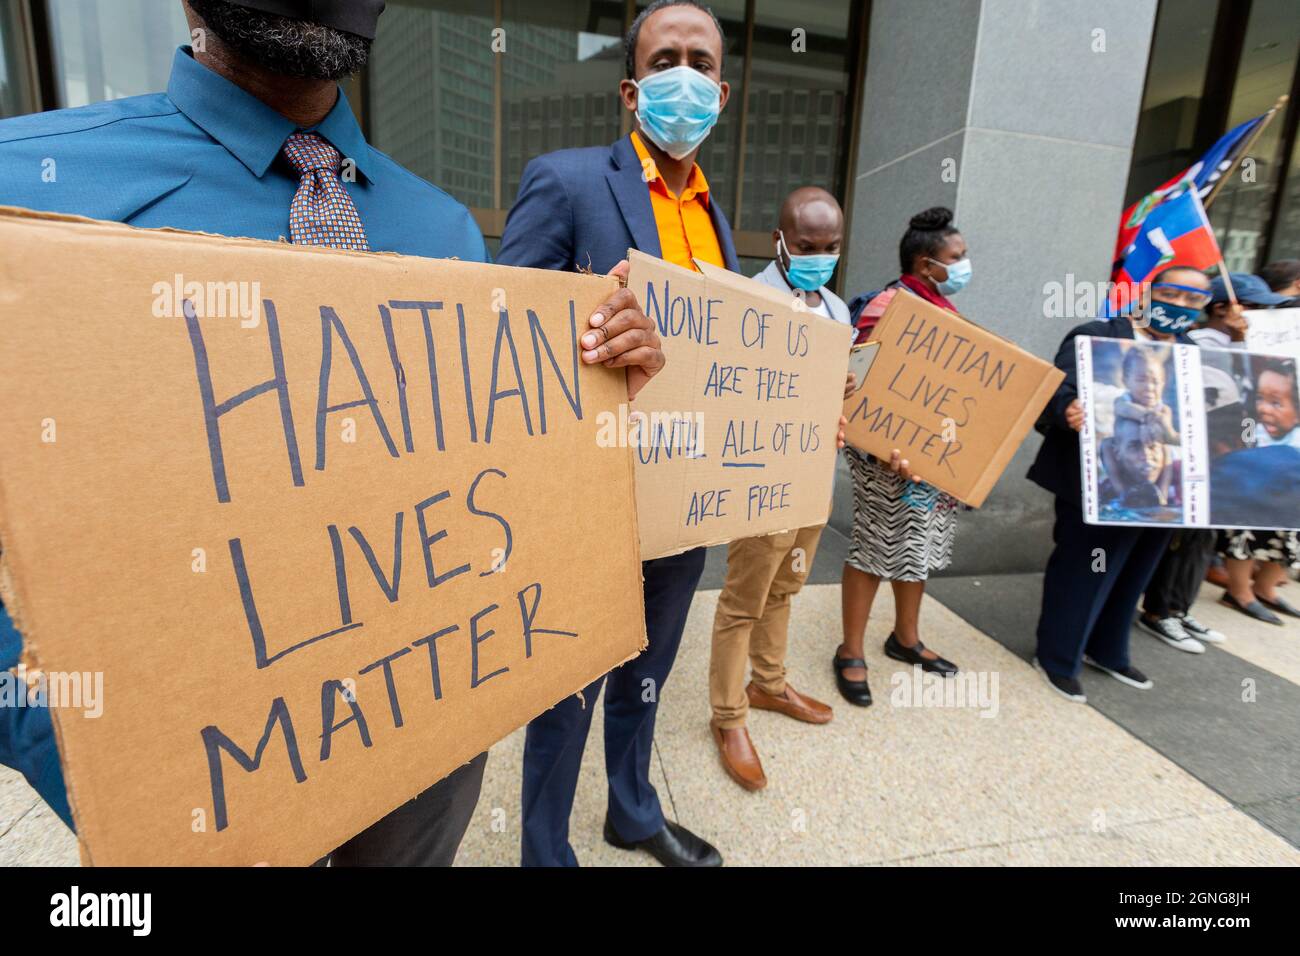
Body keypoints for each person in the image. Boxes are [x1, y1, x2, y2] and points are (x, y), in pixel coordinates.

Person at [0, 0, 665, 867]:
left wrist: (598, 396)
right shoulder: (25, 196)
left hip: (430, 749)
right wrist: (115, 764)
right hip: (211, 791)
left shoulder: (447, 234)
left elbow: (492, 487)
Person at [496, 0, 731, 867]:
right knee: (566, 688)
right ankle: (544, 853)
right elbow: (499, 337)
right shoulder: (566, 181)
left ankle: (631, 810)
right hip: (588, 500)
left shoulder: (714, 218)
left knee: (646, 675)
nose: (686, 75)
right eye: (666, 59)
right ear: (633, 90)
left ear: (723, 89)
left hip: (679, 505)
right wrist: (598, 343)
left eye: (700, 62)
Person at [708, 187, 851, 791]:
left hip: (814, 472)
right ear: (780, 241)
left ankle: (768, 685)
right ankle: (728, 716)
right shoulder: (747, 300)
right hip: (762, 475)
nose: (820, 256)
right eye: (807, 246)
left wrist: (841, 403)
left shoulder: (838, 311)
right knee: (743, 599)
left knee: (787, 587)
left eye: (831, 247)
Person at [1029, 266, 1207, 702]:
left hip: (1162, 486)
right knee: (1085, 568)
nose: (1179, 307)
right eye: (1171, 294)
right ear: (1147, 293)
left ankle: (1107, 649)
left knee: (1134, 571)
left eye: (1192, 301)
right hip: (1094, 483)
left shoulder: (1193, 353)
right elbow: (1055, 388)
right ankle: (1057, 657)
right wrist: (1067, 407)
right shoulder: (1096, 335)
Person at [833, 207, 968, 708]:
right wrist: (883, 444)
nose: (963, 266)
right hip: (884, 456)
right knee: (874, 544)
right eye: (956, 258)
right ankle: (850, 649)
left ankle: (905, 639)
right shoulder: (886, 307)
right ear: (926, 263)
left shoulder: (942, 310)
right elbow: (859, 383)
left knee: (920, 543)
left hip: (931, 457)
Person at [1188, 273, 1289, 348]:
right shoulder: (1198, 342)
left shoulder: (1259, 341)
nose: (1260, 311)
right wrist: (1237, 339)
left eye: (1264, 306)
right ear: (1220, 309)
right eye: (1252, 305)